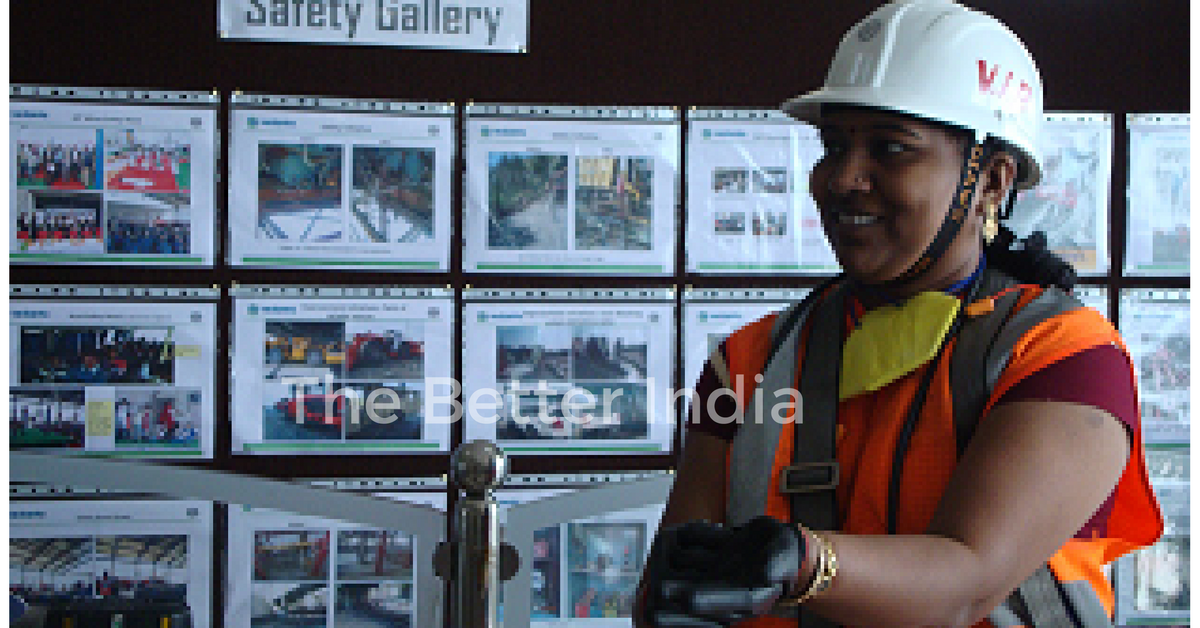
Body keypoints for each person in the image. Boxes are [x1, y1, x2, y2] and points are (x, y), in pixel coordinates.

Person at [636, 1, 1162, 627]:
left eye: (890, 148)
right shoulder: (748, 362)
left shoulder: (1065, 359)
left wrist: (803, 561)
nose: (843, 178)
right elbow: (670, 589)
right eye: (834, 146)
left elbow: (966, 582)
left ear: (992, 182)